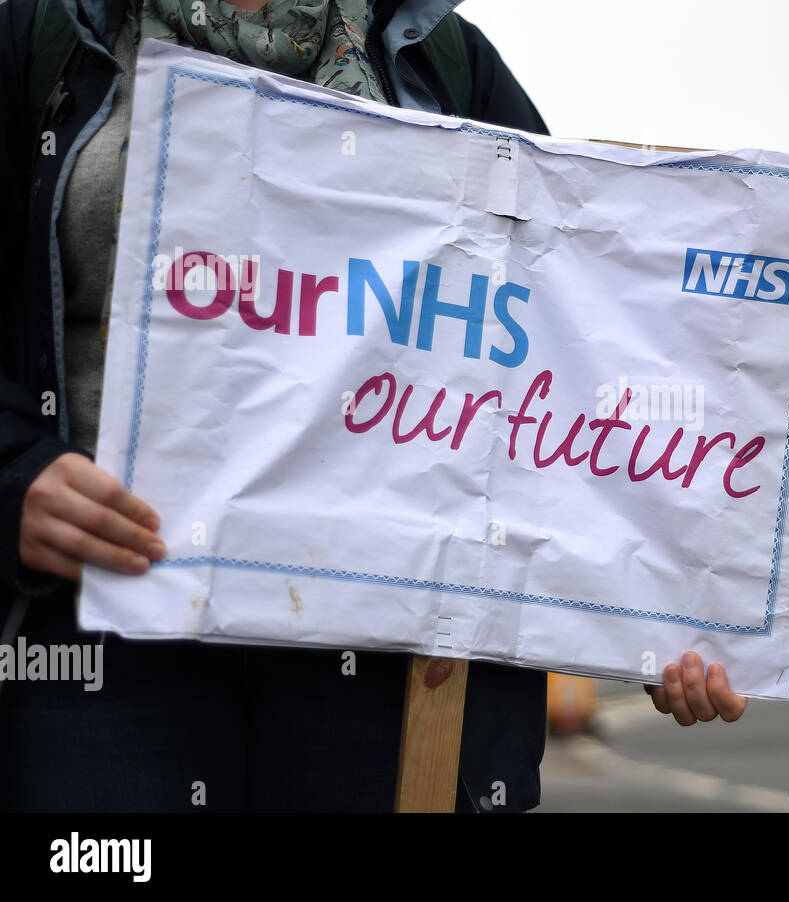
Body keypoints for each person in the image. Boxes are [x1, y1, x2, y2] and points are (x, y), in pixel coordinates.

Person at [0, 0, 746, 813]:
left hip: (390, 676)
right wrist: (14, 478)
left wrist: (666, 602)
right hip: (106, 648)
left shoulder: (447, 64)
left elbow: (570, 339)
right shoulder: (40, 42)